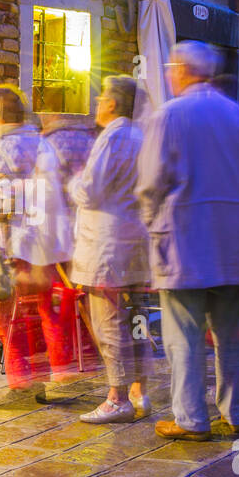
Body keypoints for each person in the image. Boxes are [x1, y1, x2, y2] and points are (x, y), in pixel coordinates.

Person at [136, 41, 239, 441]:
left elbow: (150, 184)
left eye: (172, 68)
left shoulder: (169, 115)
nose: (169, 75)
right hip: (233, 243)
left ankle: (191, 419)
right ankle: (238, 413)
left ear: (182, 70)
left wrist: (149, 228)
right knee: (231, 333)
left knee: (183, 334)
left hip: (184, 240)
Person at [0, 86, 77, 394]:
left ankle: (21, 382)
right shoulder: (41, 144)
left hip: (14, 244)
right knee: (45, 309)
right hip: (45, 244)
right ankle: (60, 370)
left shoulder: (5, 146)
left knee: (9, 316)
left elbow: (2, 200)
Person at [69, 76, 152, 424]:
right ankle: (139, 391)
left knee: (109, 321)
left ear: (113, 104)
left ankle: (116, 397)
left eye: (101, 97)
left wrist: (72, 182)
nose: (97, 103)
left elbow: (89, 191)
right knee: (137, 318)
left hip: (107, 245)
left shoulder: (113, 136)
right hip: (135, 242)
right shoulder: (141, 136)